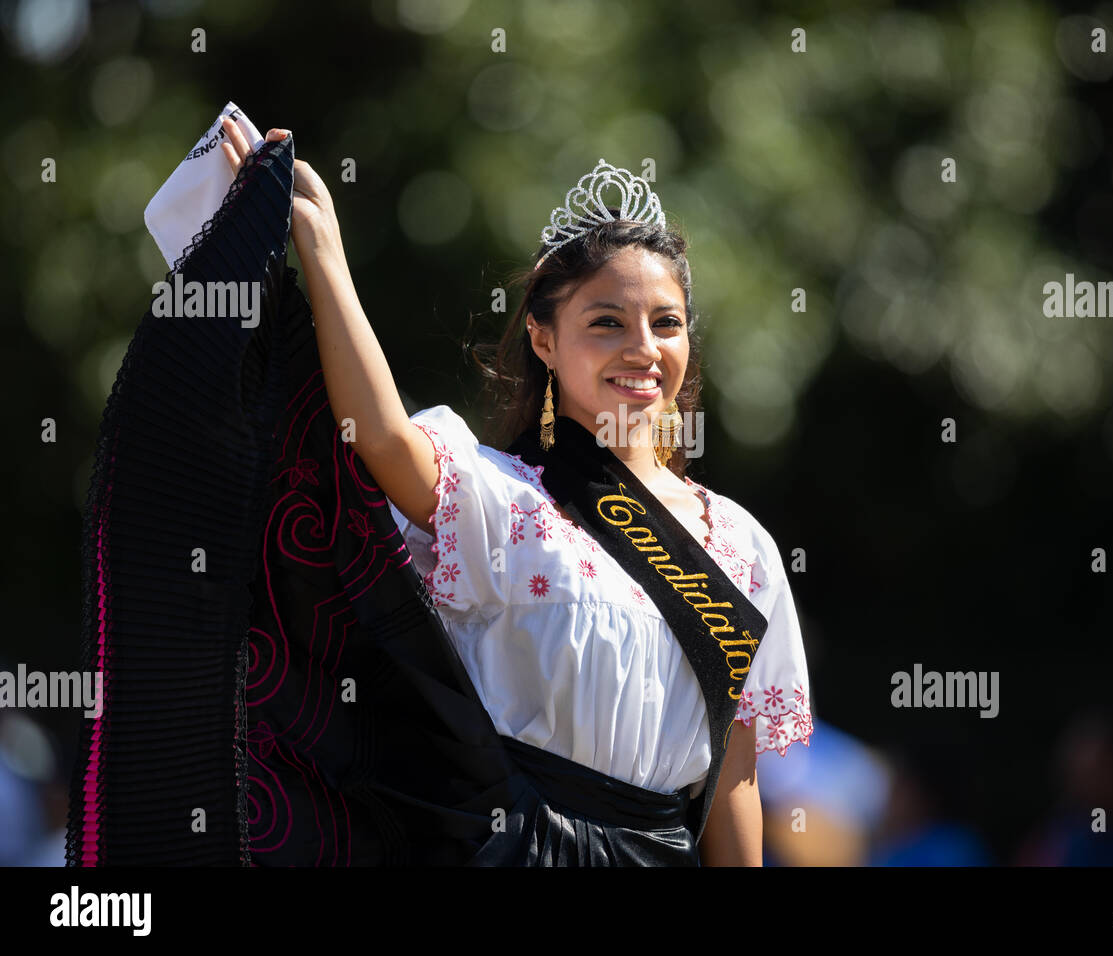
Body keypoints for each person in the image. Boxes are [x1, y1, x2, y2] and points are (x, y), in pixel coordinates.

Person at [66, 123, 812, 867]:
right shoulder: (501, 502)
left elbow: (733, 778)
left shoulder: (739, 546)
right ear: (545, 342)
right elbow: (381, 438)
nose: (642, 349)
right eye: (606, 322)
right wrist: (321, 247)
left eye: (667, 323)